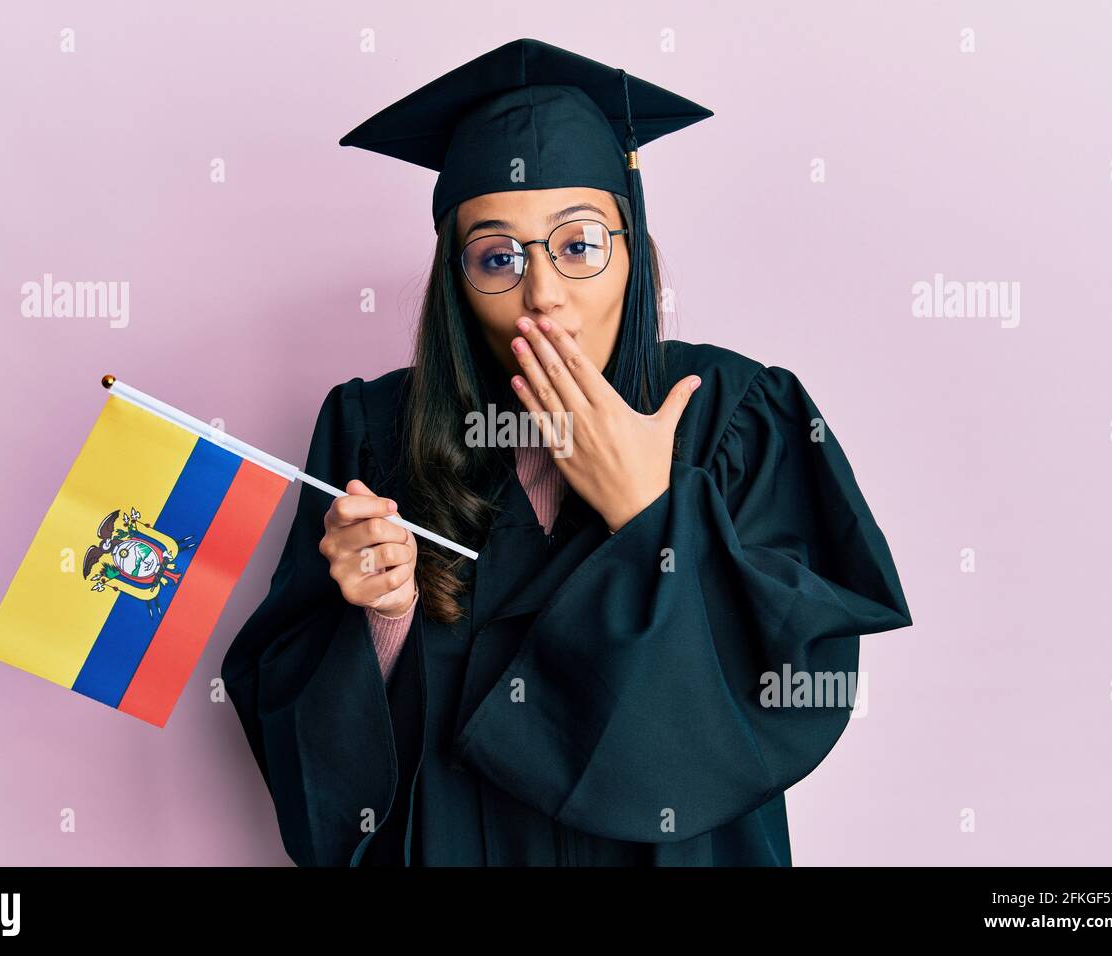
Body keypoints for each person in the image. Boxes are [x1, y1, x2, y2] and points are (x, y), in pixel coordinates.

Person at [221, 38, 913, 866]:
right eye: (497, 257)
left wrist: (652, 515)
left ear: (634, 249)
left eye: (580, 244)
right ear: (455, 276)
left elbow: (792, 685)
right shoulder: (375, 431)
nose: (543, 292)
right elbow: (309, 743)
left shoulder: (735, 414)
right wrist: (383, 620)